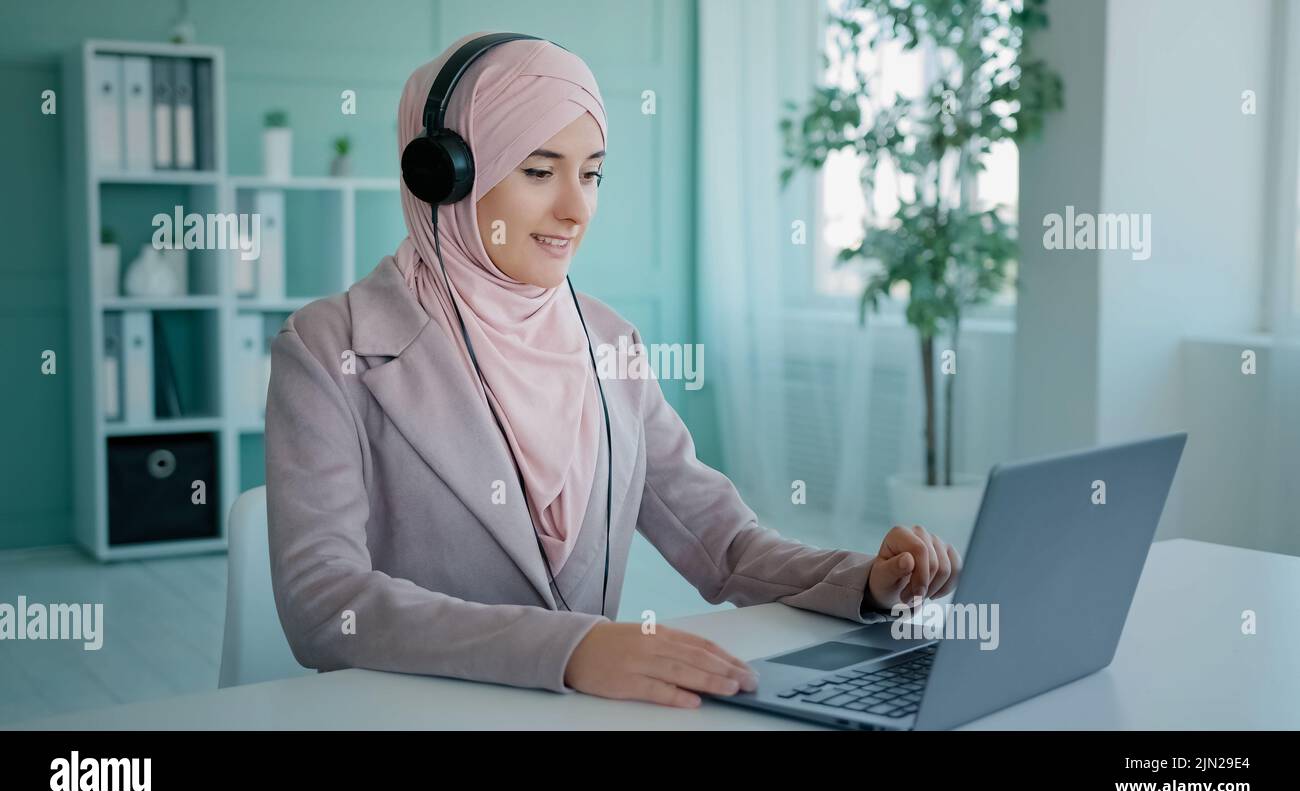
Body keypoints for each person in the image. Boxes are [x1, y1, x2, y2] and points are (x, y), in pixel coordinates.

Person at [265, 31, 961, 711]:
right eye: (539, 171)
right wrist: (569, 649)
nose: (576, 209)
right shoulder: (329, 347)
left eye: (591, 172)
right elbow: (326, 602)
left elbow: (723, 542)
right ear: (443, 178)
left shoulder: (609, 342)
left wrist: (863, 580)